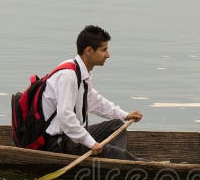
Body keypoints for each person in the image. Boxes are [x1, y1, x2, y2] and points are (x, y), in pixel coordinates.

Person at [41, 25, 143, 159]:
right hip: (57, 142)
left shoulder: (81, 72)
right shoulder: (68, 75)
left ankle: (115, 163)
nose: (108, 55)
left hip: (68, 136)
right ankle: (122, 162)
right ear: (89, 51)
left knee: (117, 126)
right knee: (110, 151)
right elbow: (65, 116)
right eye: (104, 50)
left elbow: (93, 100)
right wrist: (91, 143)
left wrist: (124, 115)